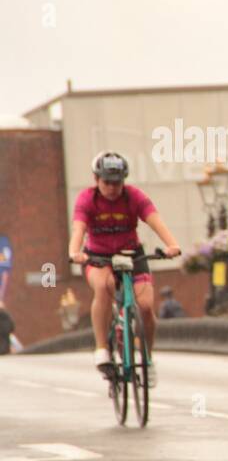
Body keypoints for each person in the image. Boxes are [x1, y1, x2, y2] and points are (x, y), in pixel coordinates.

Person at [68, 151, 183, 386]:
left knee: (146, 307)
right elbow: (78, 229)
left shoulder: (134, 197)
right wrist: (74, 252)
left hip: (132, 254)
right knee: (104, 285)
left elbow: (155, 220)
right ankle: (102, 348)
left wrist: (172, 244)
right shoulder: (87, 199)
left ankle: (147, 359)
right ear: (96, 180)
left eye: (117, 183)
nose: (112, 188)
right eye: (107, 182)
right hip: (99, 257)